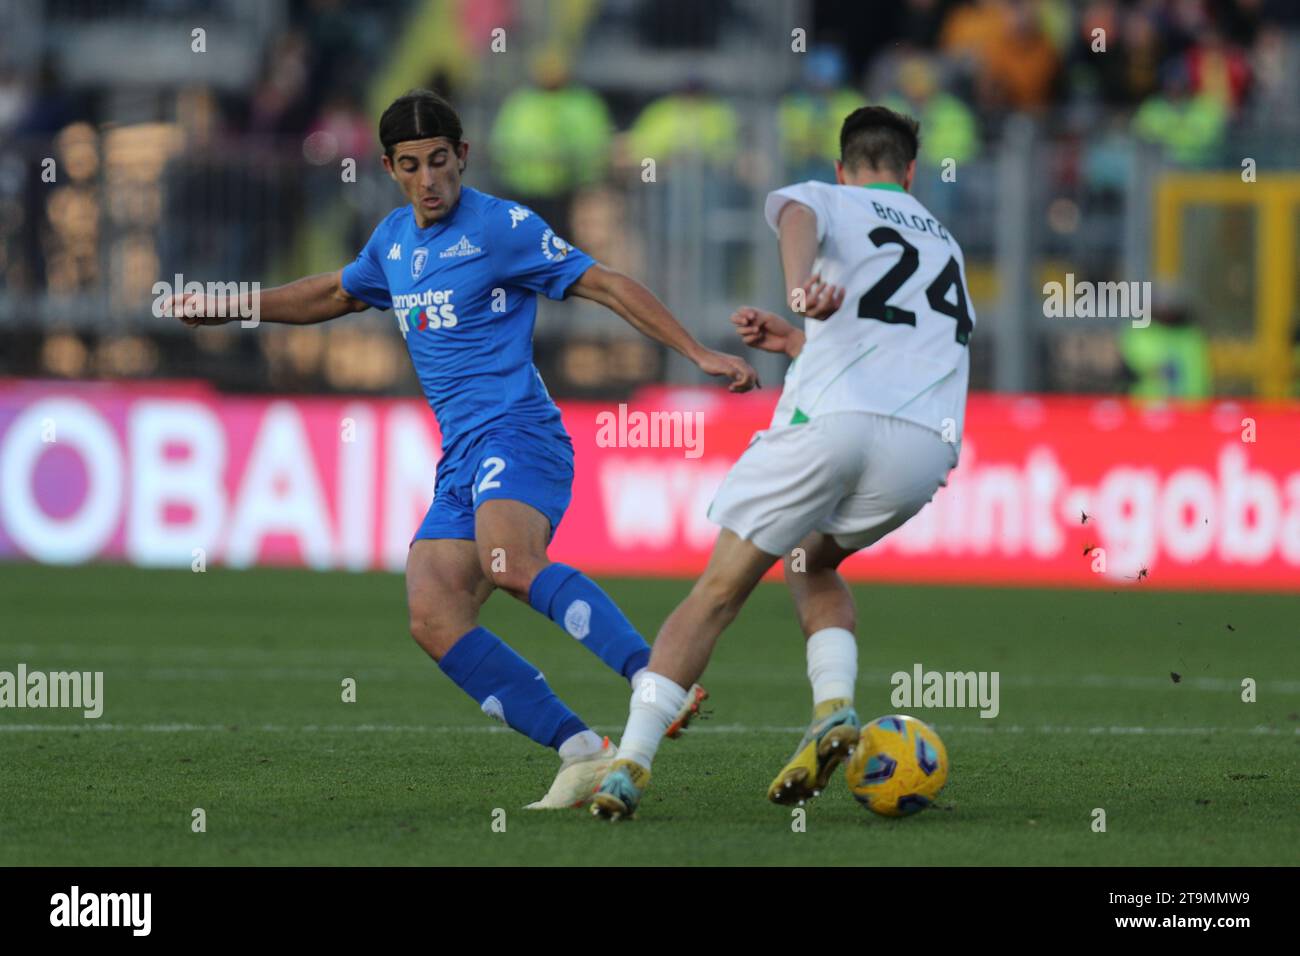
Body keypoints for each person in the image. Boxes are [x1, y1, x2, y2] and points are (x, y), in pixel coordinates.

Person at [166, 89, 758, 809]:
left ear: (463, 156)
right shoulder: (392, 242)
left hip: (521, 433)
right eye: (411, 166)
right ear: (388, 167)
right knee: (434, 614)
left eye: (440, 162)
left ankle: (654, 675)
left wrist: (695, 351)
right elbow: (332, 294)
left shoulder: (502, 227)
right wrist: (233, 304)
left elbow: (603, 284)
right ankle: (581, 752)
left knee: (510, 563)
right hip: (461, 459)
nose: (429, 180)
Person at [591, 106, 975, 818]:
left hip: (831, 426)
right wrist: (801, 343)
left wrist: (798, 292)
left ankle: (628, 764)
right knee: (813, 561)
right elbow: (899, 348)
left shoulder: (825, 196)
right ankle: (833, 706)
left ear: (842, 166)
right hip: (925, 446)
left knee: (716, 594)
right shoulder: (946, 244)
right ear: (911, 171)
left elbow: (796, 212)